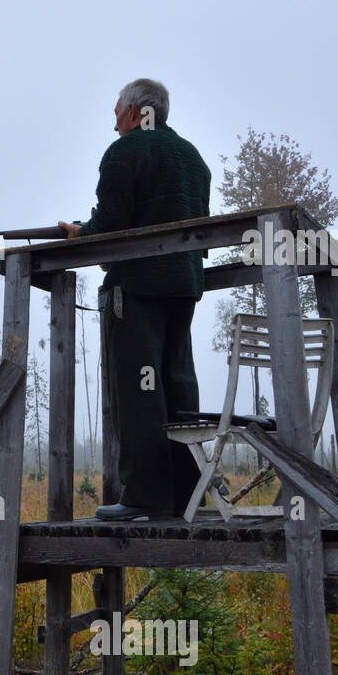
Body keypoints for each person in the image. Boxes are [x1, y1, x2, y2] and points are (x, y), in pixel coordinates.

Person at [58, 79, 211, 520]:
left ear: (131, 111)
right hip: (184, 286)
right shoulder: (193, 158)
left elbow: (110, 223)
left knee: (139, 389)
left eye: (115, 113)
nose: (113, 124)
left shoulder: (125, 152)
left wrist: (79, 235)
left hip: (139, 289)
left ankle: (143, 496)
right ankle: (186, 491)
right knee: (177, 383)